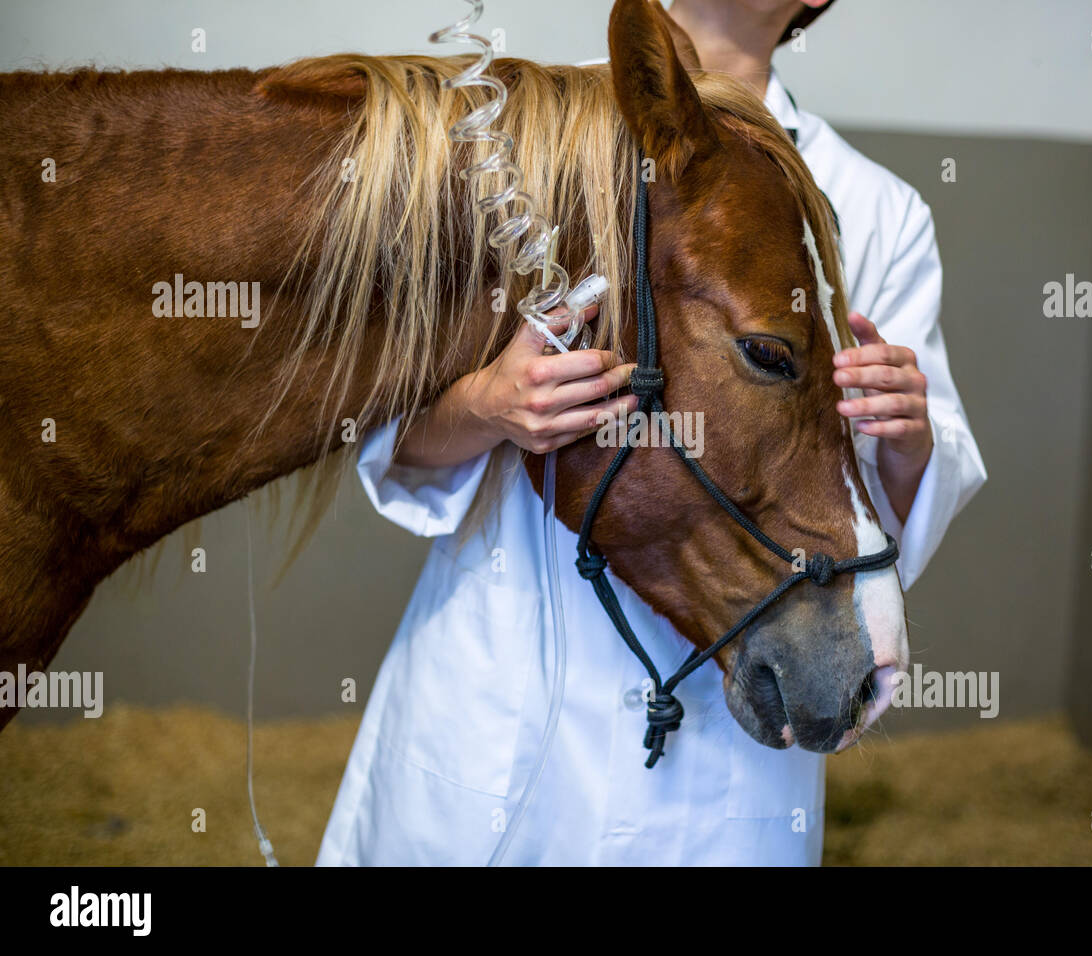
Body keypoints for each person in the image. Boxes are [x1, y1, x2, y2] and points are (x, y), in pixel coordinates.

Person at [317, 0, 986, 866]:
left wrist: (907, 434)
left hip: (720, 770)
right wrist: (488, 405)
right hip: (501, 688)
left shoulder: (876, 207)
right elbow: (388, 439)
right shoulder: (529, 147)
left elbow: (893, 506)